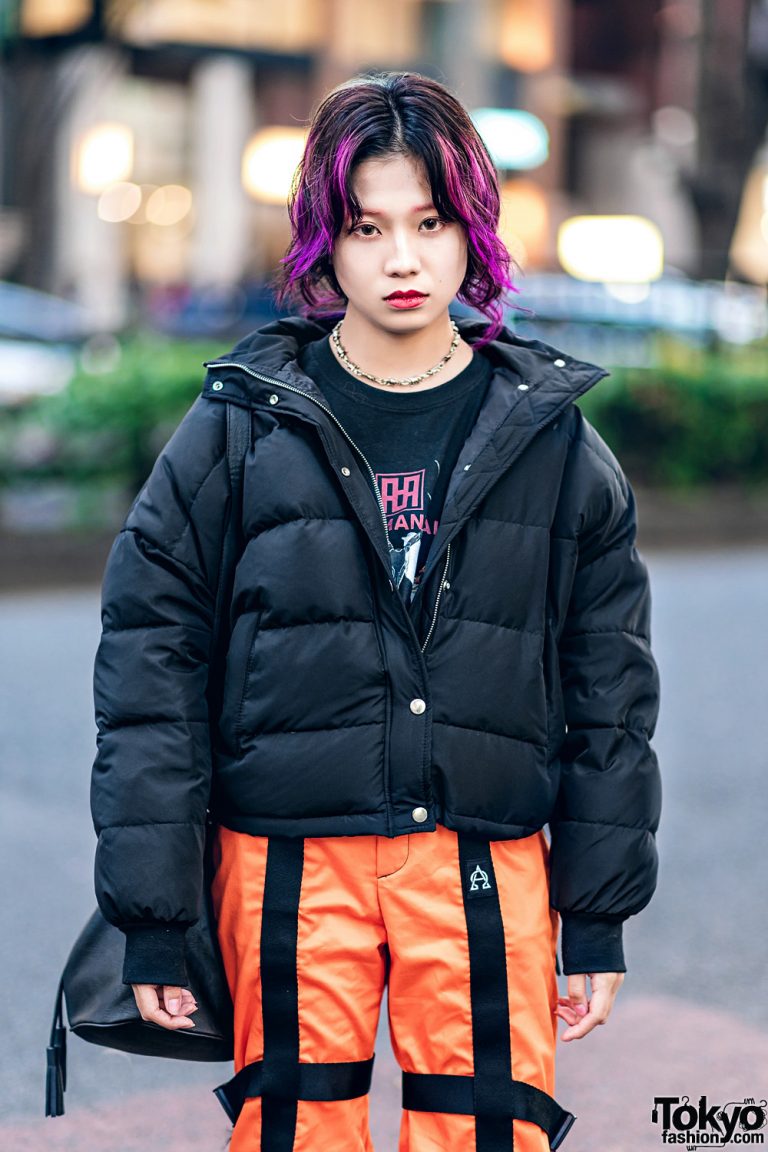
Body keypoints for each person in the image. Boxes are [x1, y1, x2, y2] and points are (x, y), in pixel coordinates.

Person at [90, 71, 662, 1151]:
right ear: (325, 242)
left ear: (471, 232)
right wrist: (156, 918)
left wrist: (596, 916)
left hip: (485, 864)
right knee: (297, 1135)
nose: (401, 258)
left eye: (429, 222)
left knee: (488, 1136)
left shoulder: (555, 446)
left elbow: (612, 697)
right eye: (366, 227)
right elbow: (146, 673)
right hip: (292, 862)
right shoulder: (239, 431)